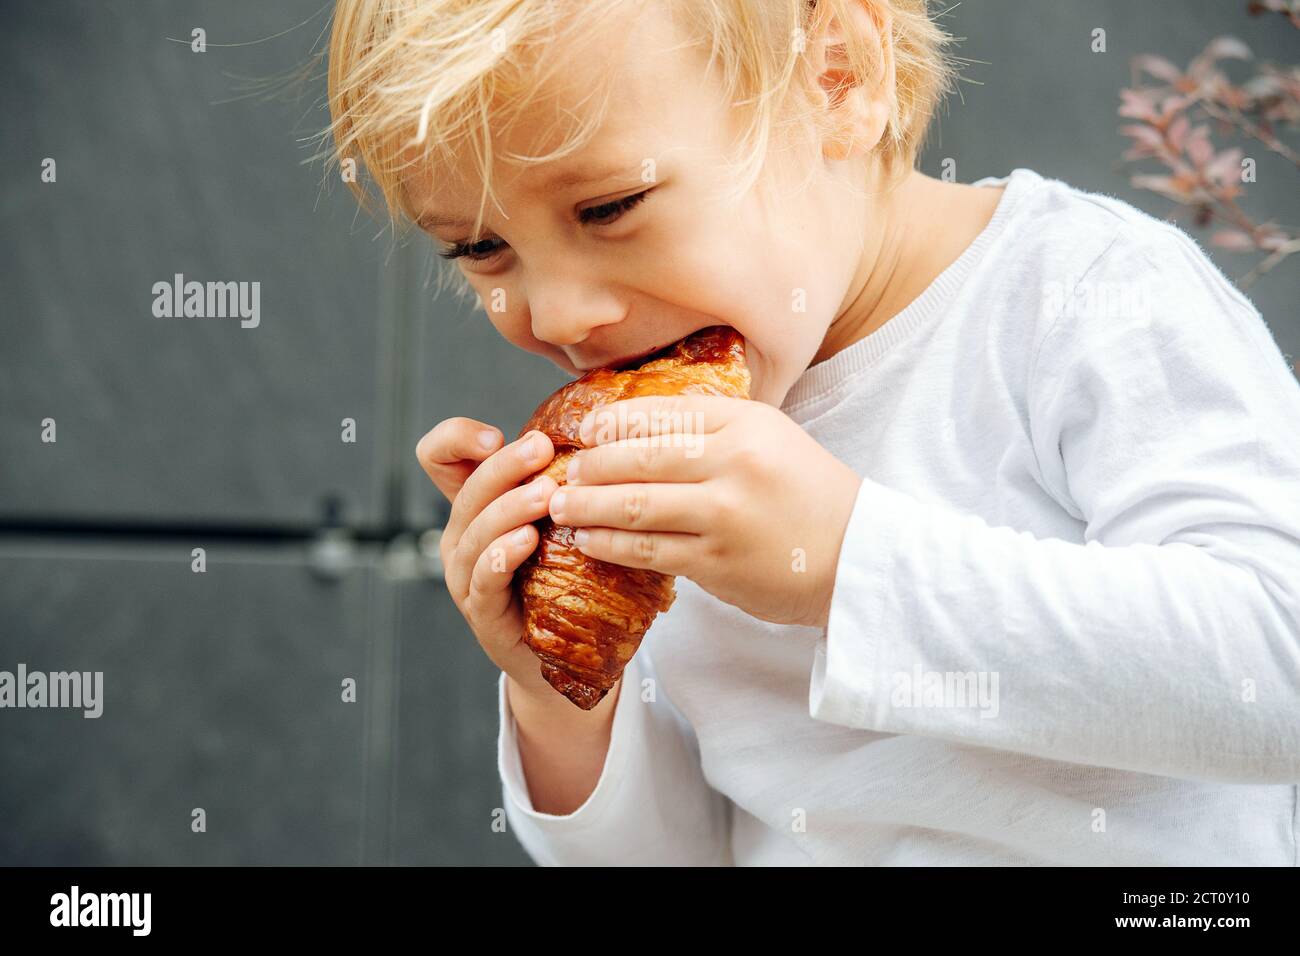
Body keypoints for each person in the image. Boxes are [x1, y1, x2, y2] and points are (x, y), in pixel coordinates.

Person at [326, 0, 1300, 864]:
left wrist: (844, 563)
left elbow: (1274, 660)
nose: (560, 312)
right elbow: (681, 854)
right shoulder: (662, 456)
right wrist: (561, 692)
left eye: (609, 207)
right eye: (480, 247)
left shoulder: (1084, 294)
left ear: (836, 77)